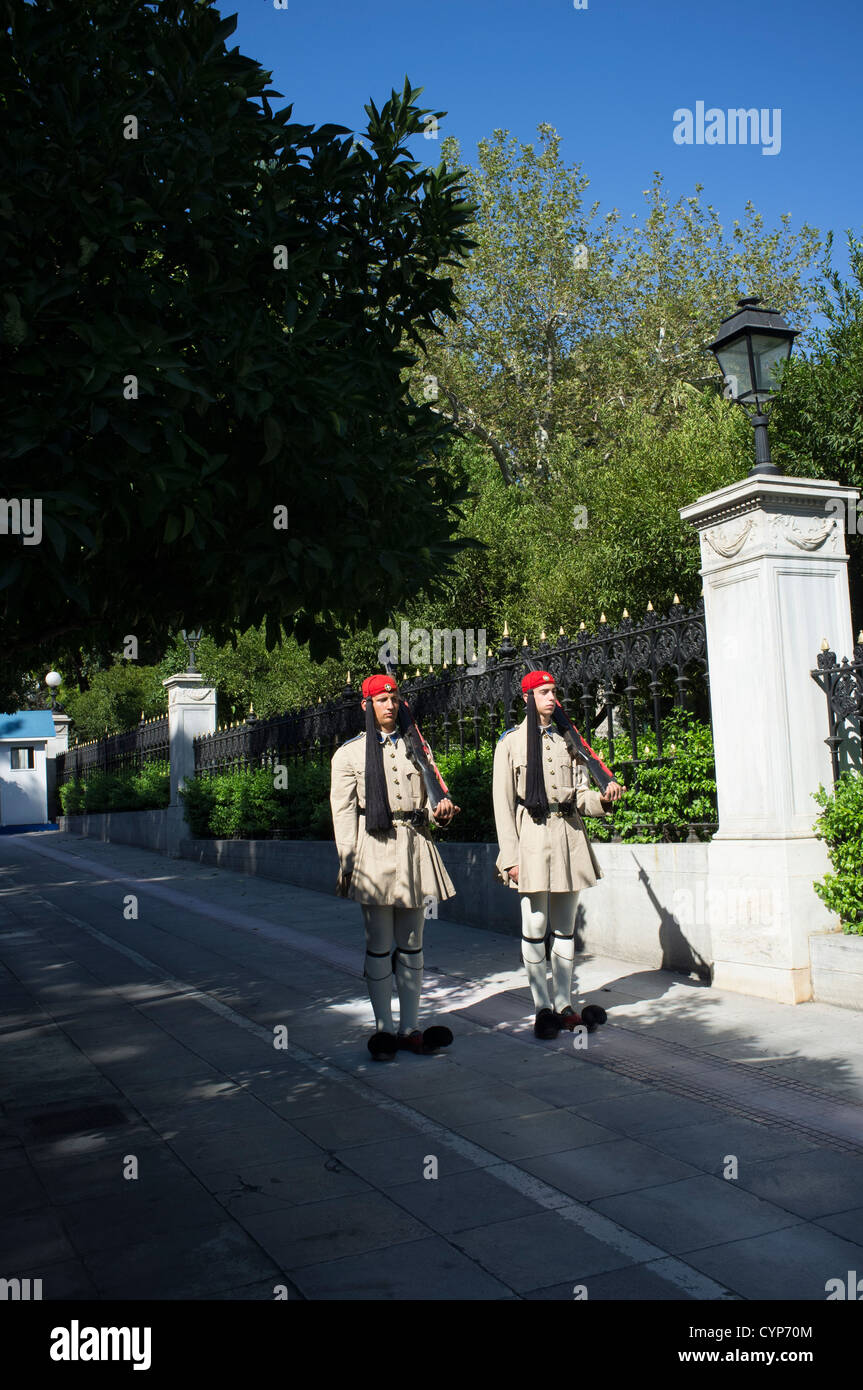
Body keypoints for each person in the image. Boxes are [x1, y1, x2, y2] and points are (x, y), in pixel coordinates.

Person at [330, 673, 459, 1060]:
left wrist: (442, 814)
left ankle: (410, 1028)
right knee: (379, 944)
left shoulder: (417, 747)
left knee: (413, 946)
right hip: (375, 850)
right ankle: (384, 1028)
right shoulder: (349, 755)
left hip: (414, 847)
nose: (390, 705)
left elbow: (433, 797)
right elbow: (344, 814)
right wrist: (349, 863)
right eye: (382, 700)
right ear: (366, 706)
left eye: (395, 698)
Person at [492, 670, 625, 1039]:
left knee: (564, 929)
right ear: (527, 698)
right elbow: (503, 805)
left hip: (568, 835)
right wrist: (511, 856)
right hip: (531, 836)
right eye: (543, 692)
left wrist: (601, 800)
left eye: (554, 692)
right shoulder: (510, 743)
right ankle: (542, 1008)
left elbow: (580, 795)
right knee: (535, 926)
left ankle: (564, 1004)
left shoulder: (570, 741)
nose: (551, 698)